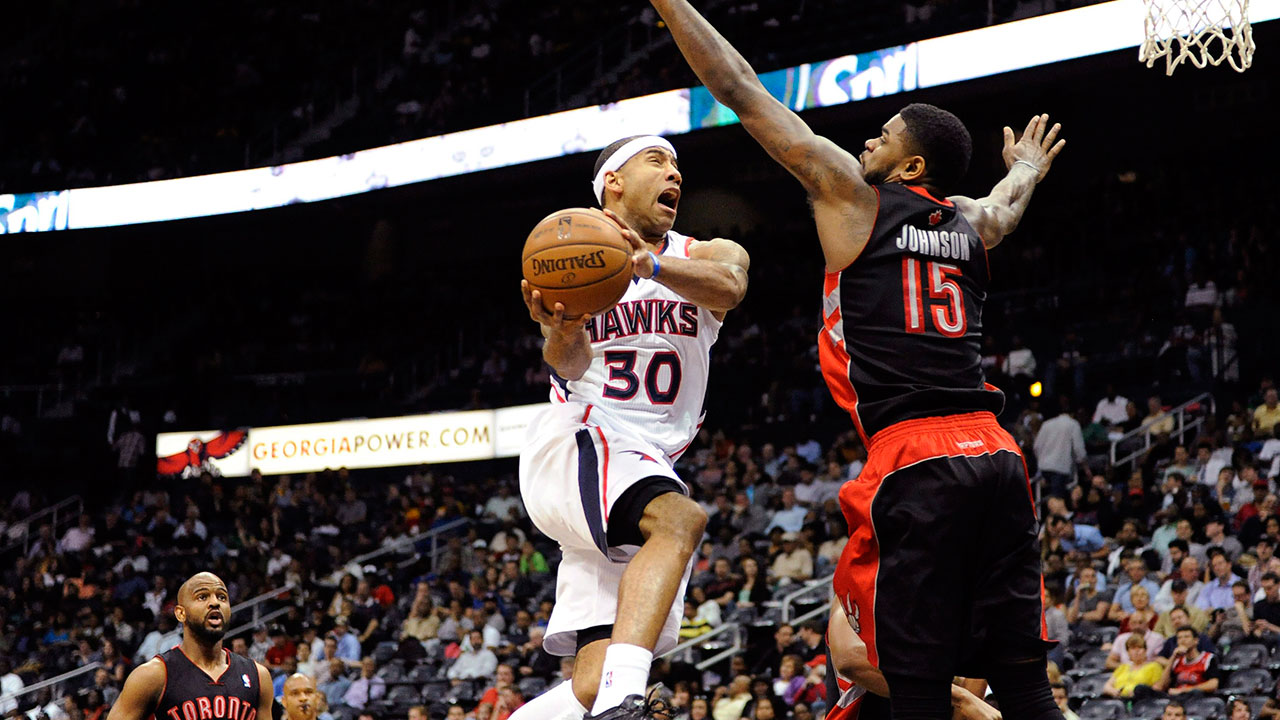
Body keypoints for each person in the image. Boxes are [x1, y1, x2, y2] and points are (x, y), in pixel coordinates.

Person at [648, 8, 1065, 720]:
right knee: (1025, 682)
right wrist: (1025, 168)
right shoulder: (967, 221)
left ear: (909, 165)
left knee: (919, 686)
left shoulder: (854, 198)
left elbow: (741, 88)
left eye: (884, 135)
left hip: (915, 456)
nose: (868, 139)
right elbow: (1006, 206)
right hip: (997, 454)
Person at [514, 134, 750, 720]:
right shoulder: (575, 252)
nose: (674, 172)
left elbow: (731, 287)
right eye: (657, 160)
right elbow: (567, 366)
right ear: (613, 181)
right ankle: (629, 703)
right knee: (681, 519)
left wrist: (649, 264)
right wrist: (561, 327)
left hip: (644, 461)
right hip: (581, 436)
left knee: (591, 682)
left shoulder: (706, 250)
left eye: (677, 165)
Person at [106, 572, 274, 720]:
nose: (215, 603)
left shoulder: (258, 675)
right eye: (202, 597)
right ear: (181, 613)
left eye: (222, 597)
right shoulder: (153, 675)